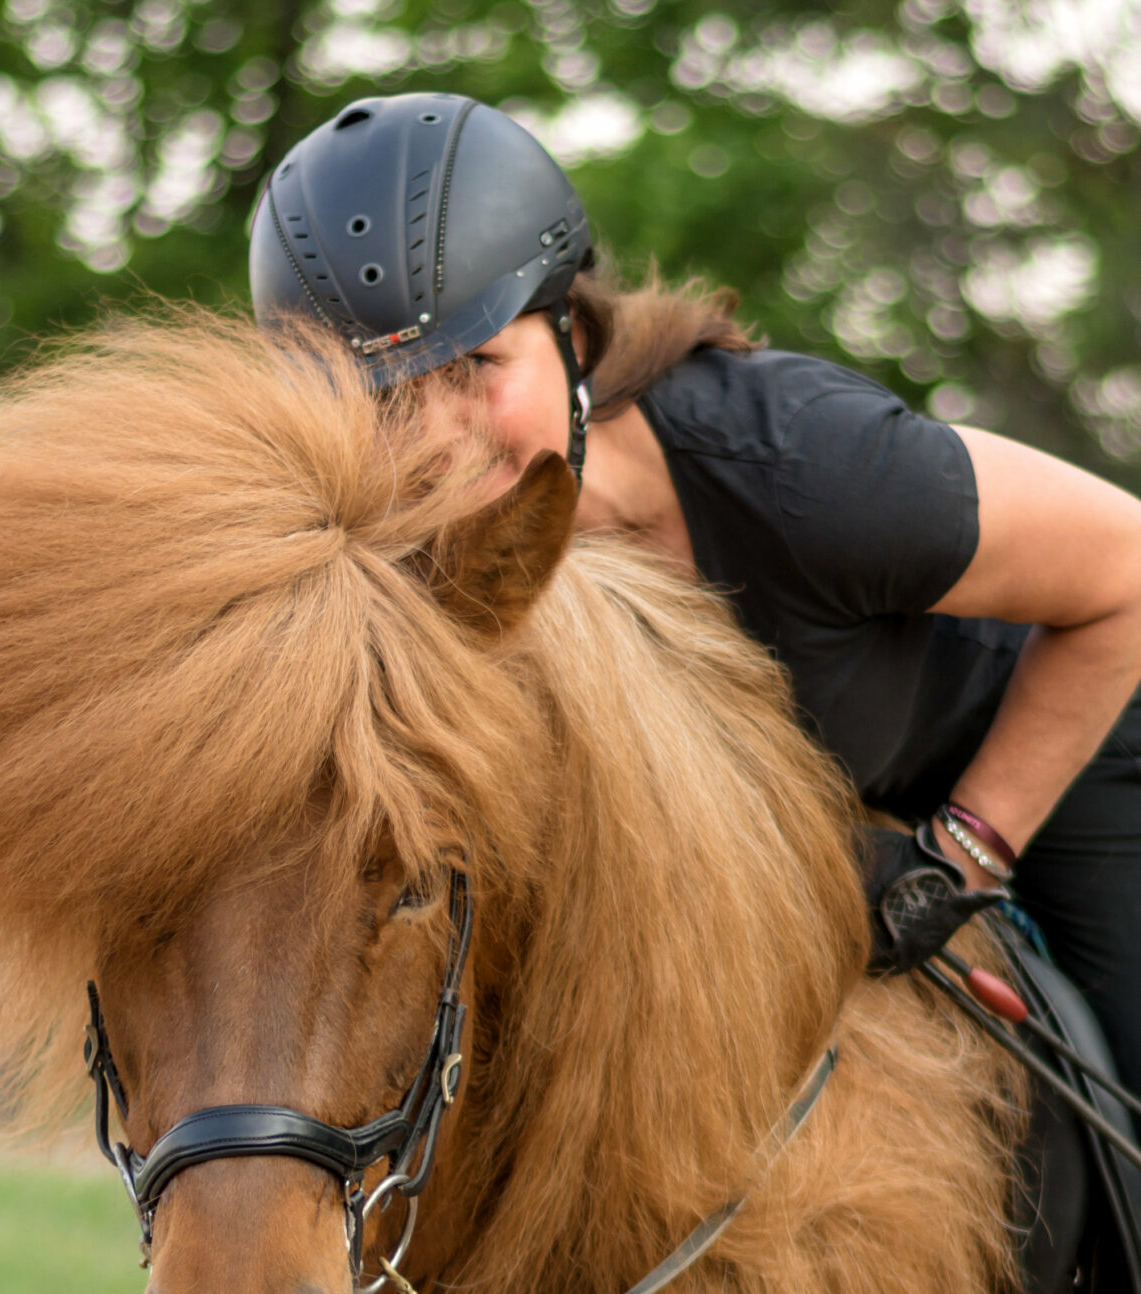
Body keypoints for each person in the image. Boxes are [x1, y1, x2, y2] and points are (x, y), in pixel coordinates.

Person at [248, 92, 1141, 1094]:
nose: (435, 441)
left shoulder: (811, 468)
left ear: (569, 331)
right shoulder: (407, 559)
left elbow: (1125, 571)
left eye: (473, 366)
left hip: (1050, 747)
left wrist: (962, 853)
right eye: (384, 398)